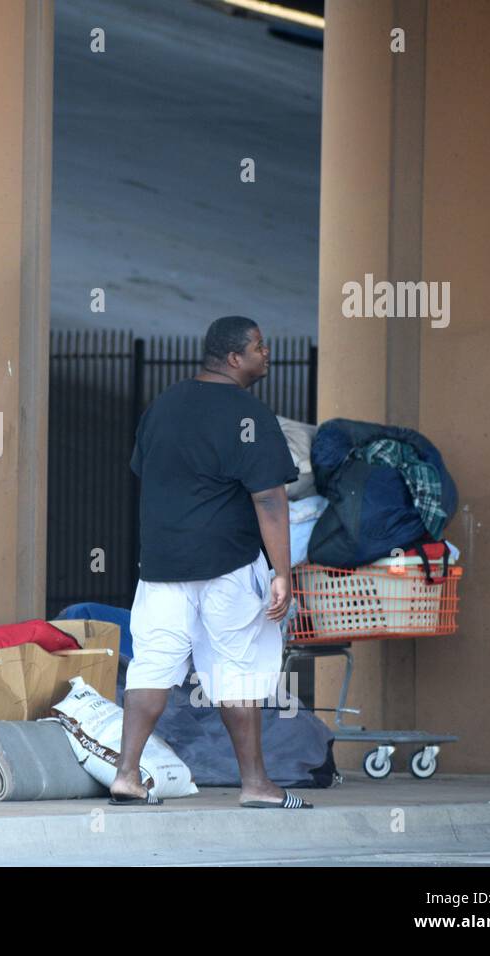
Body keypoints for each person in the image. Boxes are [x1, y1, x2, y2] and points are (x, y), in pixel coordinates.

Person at [110, 315, 312, 809]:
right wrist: (282, 573)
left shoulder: (163, 406)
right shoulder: (249, 415)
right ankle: (257, 786)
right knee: (238, 672)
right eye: (260, 347)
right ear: (234, 357)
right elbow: (269, 499)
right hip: (228, 564)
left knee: (152, 666)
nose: (268, 354)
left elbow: (149, 472)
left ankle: (127, 775)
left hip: (161, 566)